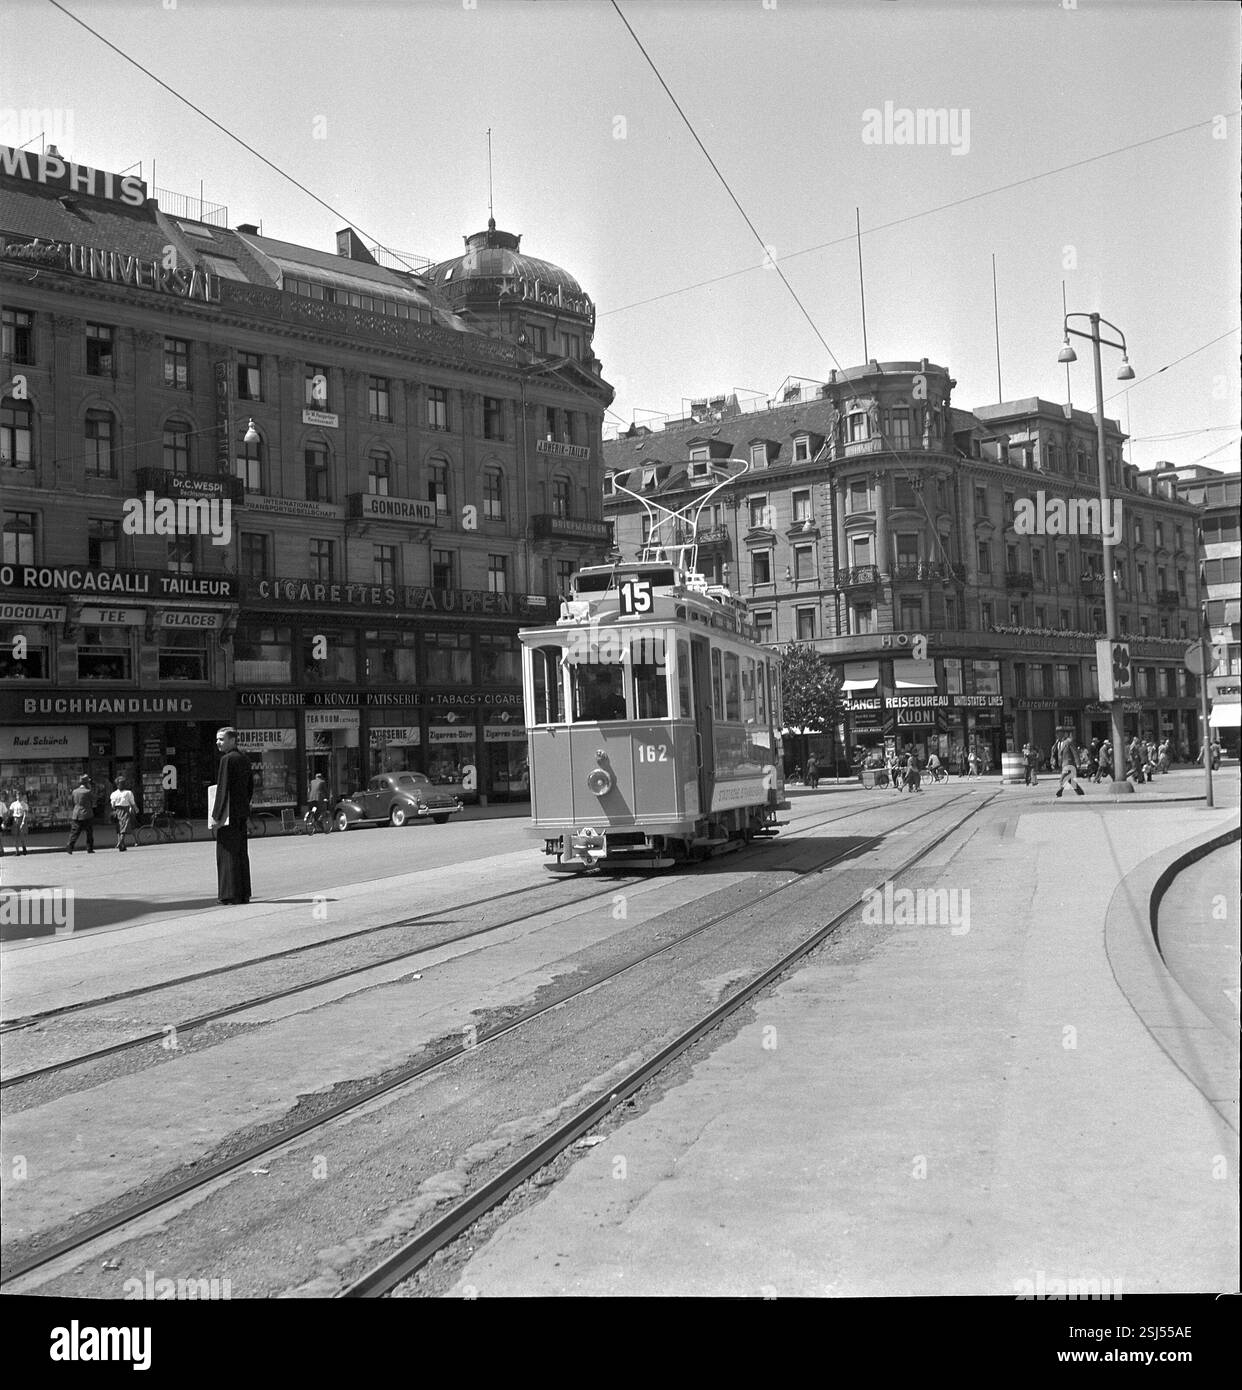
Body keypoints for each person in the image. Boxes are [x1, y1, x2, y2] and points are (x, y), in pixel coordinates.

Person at [210, 727, 254, 905]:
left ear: (232, 740)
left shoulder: (227, 759)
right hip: (241, 813)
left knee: (226, 853)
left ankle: (229, 894)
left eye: (221, 739)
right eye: (217, 739)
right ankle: (244, 893)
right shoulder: (244, 758)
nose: (218, 742)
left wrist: (216, 816)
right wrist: (244, 806)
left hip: (228, 815)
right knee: (241, 853)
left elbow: (223, 789)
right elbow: (250, 787)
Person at [66, 774, 96, 853]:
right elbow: (93, 801)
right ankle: (89, 848)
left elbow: (72, 802)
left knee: (74, 832)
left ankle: (70, 846)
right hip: (87, 814)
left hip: (76, 814)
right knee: (89, 832)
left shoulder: (74, 791)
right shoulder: (88, 792)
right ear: (86, 783)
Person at [109, 775, 138, 851]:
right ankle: (121, 842)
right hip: (125, 811)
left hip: (117, 811)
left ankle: (122, 844)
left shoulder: (114, 794)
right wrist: (136, 809)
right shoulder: (128, 792)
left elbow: (112, 805)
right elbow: (132, 802)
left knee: (120, 827)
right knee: (124, 828)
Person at [1054, 731, 1085, 798]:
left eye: (1059, 734)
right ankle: (1080, 792)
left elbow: (1075, 752)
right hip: (1063, 764)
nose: (1058, 736)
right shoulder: (1058, 743)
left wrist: (1078, 763)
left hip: (1069, 763)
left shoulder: (1068, 742)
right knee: (1070, 780)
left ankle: (1060, 790)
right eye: (1057, 735)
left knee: (1063, 777)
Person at [8, 789, 30, 855]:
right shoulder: (13, 804)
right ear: (16, 796)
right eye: (17, 795)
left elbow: (25, 814)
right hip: (15, 820)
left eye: (20, 795)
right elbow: (11, 813)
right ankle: (17, 851)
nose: (19, 797)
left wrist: (23, 822)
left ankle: (24, 848)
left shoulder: (24, 804)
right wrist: (9, 820)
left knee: (21, 835)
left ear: (22, 796)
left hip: (21, 819)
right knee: (15, 836)